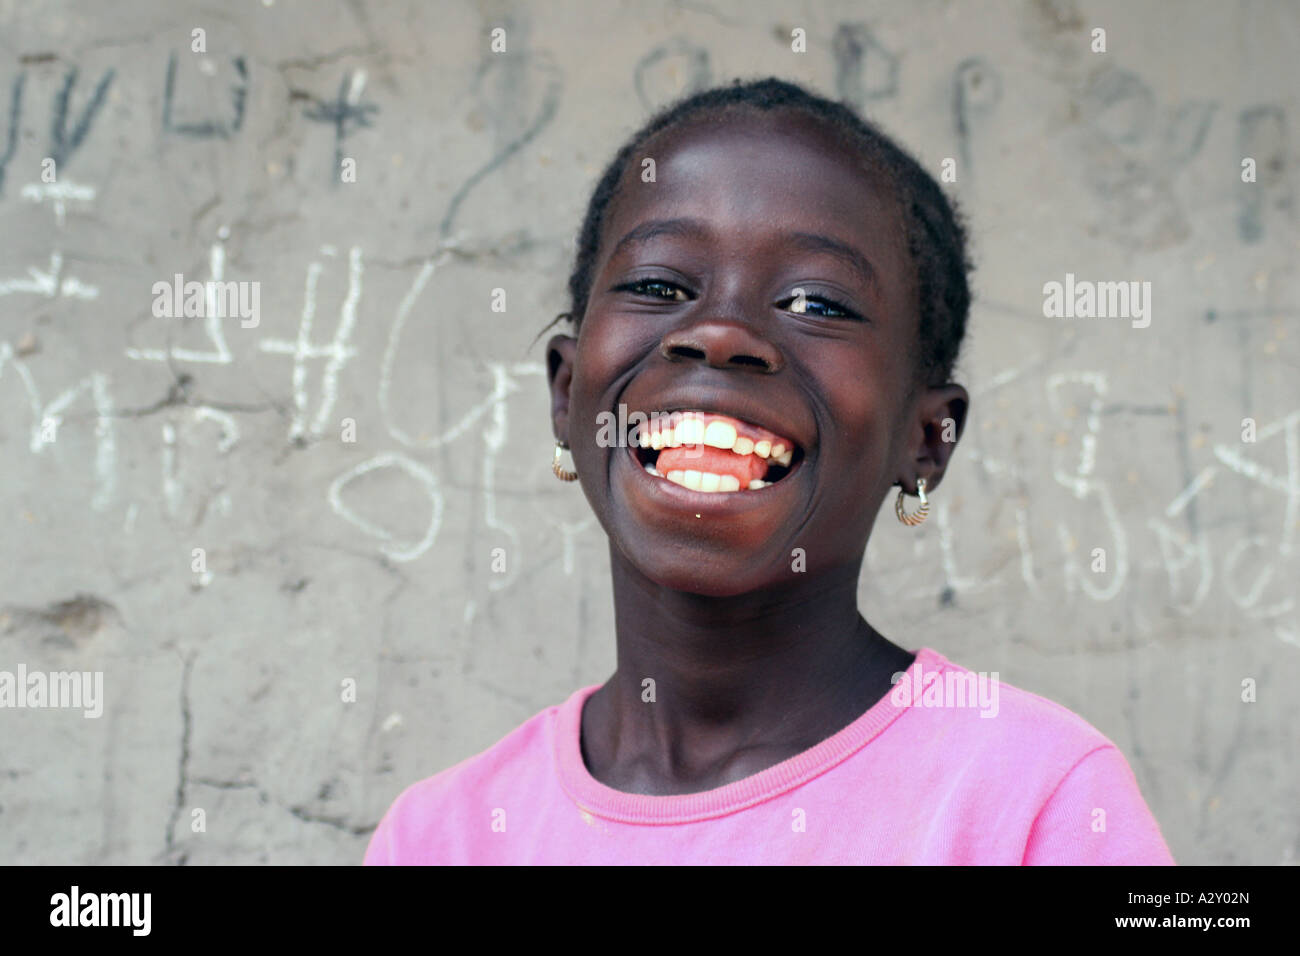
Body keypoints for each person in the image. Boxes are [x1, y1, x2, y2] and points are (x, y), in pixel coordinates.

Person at [364, 77, 1175, 865]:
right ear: (569, 393)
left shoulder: (1039, 798)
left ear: (926, 439)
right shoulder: (442, 837)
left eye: (816, 303)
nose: (719, 333)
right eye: (658, 284)